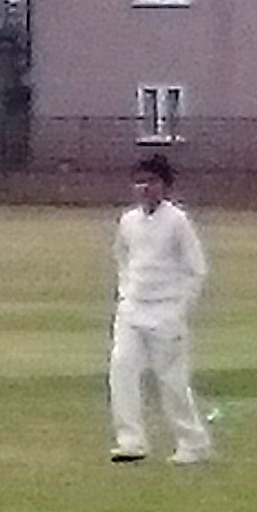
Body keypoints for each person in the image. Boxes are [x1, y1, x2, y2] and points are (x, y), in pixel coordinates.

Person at [107, 152, 211, 464]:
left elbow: (196, 269)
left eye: (151, 181)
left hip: (166, 312)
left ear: (164, 185)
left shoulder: (177, 221)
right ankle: (131, 441)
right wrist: (126, 294)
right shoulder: (128, 221)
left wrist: (180, 309)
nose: (144, 187)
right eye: (139, 181)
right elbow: (122, 259)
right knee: (121, 371)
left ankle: (193, 443)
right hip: (132, 311)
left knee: (172, 380)